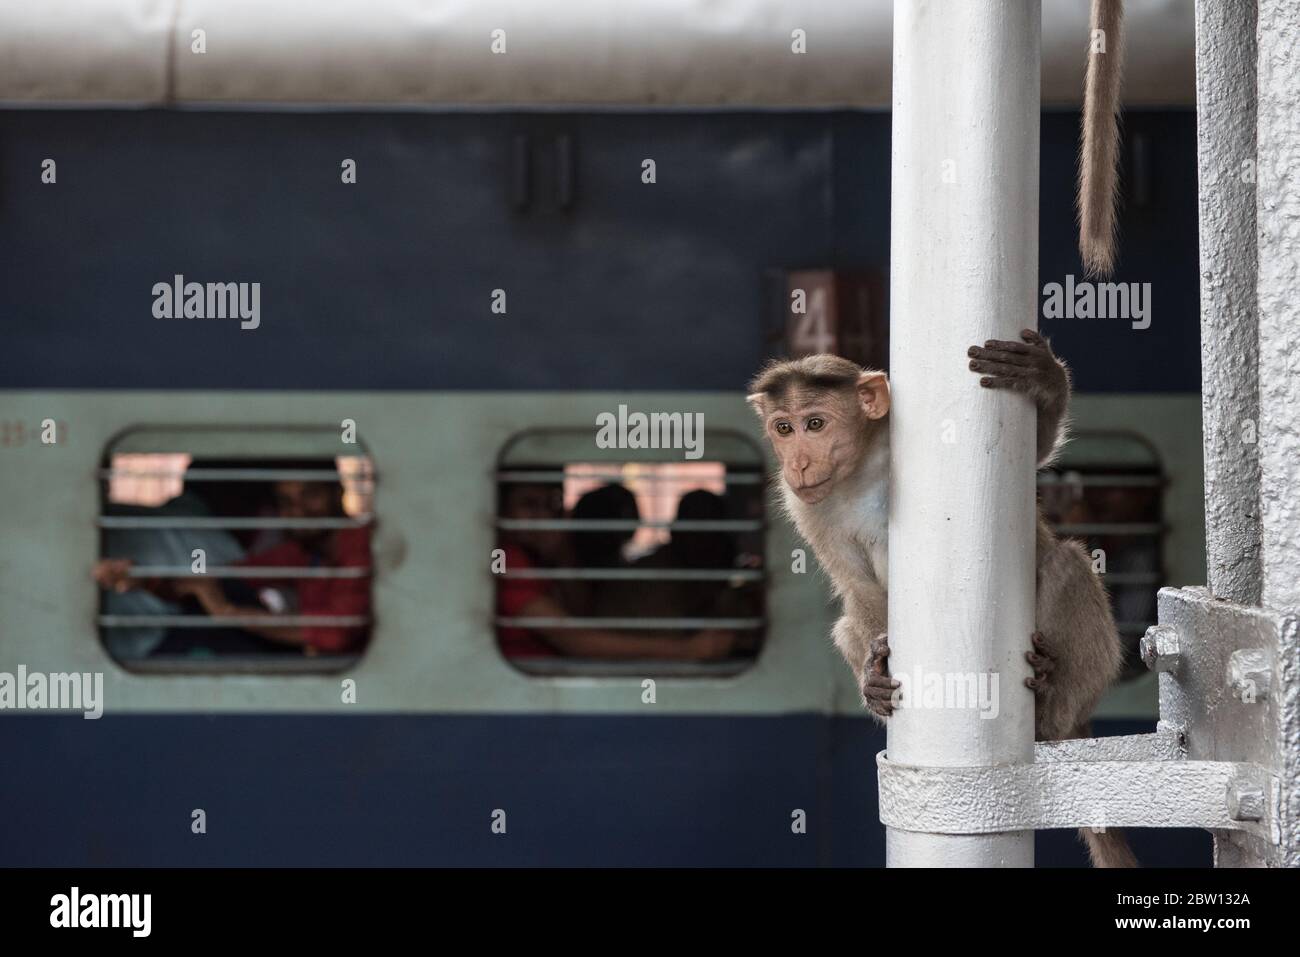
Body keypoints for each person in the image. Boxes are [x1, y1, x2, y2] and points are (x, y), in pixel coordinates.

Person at [94, 478, 370, 655]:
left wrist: (229, 611)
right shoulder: (305, 551)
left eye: (310, 495)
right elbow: (229, 578)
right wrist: (142, 580)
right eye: (286, 501)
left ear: (338, 492)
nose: (298, 510)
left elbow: (336, 633)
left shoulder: (360, 548)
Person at [496, 480, 733, 661]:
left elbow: (582, 613)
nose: (543, 516)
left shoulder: (537, 559)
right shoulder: (510, 561)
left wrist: (561, 554)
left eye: (550, 505)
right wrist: (688, 649)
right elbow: (577, 642)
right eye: (528, 504)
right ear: (504, 510)